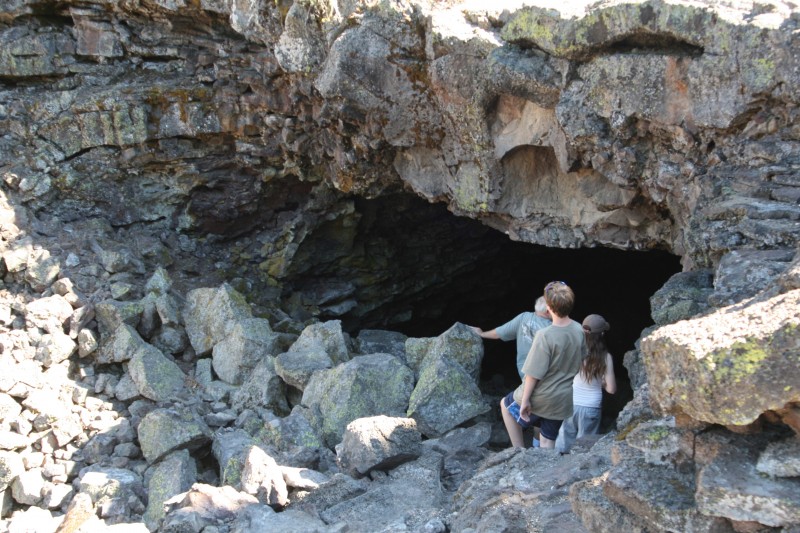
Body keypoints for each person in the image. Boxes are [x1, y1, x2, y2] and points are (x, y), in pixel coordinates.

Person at [500, 281, 586, 449]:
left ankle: (518, 451)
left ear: (548, 308)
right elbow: (581, 360)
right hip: (562, 400)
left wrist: (525, 401)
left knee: (505, 405)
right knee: (547, 441)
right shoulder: (579, 329)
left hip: (541, 397)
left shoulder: (544, 335)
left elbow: (533, 374)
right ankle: (544, 469)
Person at [555, 314, 617, 454]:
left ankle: (558, 471)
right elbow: (611, 389)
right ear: (601, 334)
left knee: (563, 445)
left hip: (571, 403)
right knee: (583, 448)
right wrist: (601, 383)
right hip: (591, 407)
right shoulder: (606, 358)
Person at [470, 296, 552, 380]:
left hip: (525, 374)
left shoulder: (523, 317)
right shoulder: (553, 327)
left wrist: (482, 333)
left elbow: (499, 333)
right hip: (548, 377)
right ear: (547, 311)